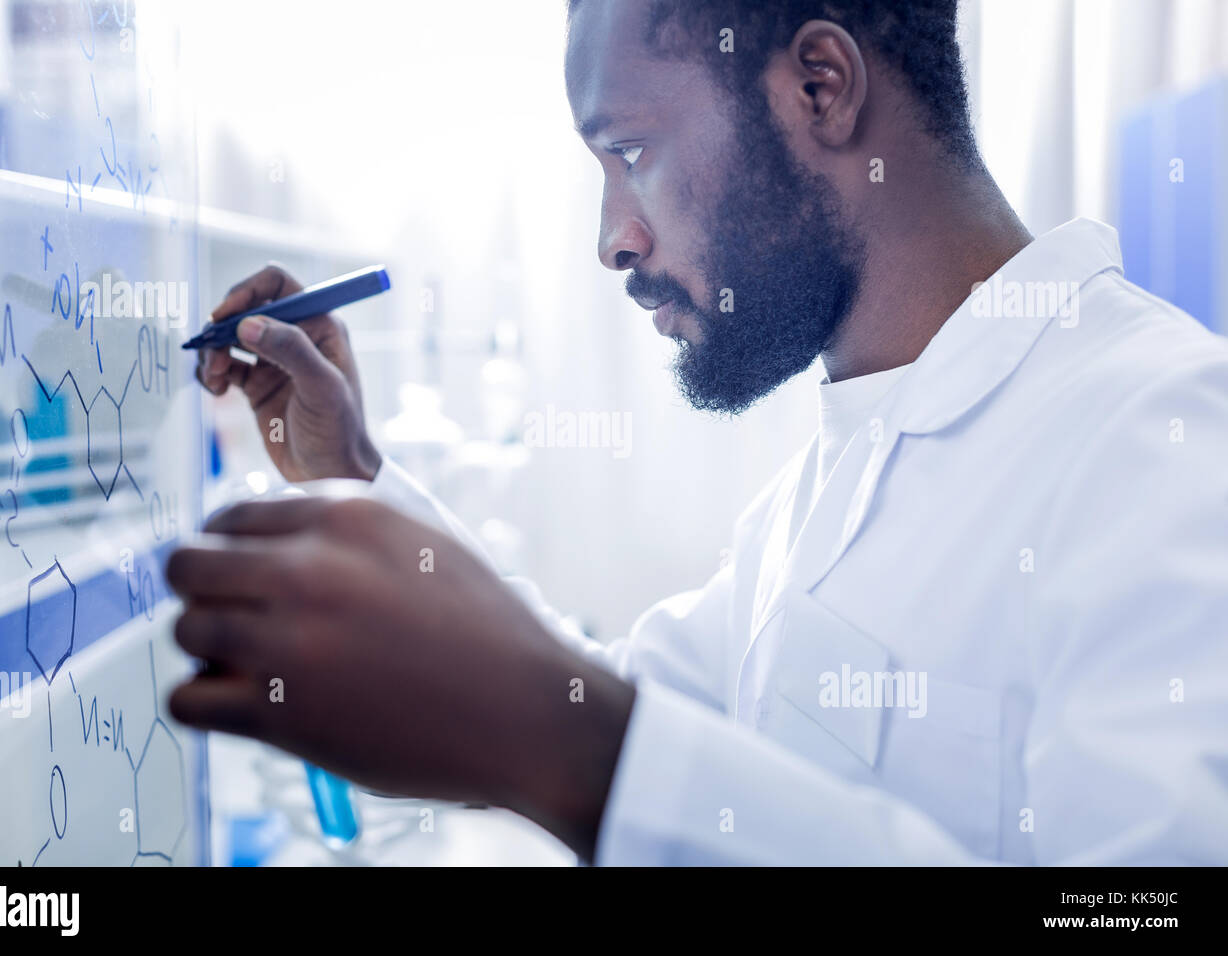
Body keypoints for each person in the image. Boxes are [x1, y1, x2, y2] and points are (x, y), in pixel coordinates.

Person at [167, 0, 1228, 864]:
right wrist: (350, 472)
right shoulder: (812, 496)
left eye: (631, 150)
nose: (611, 241)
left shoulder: (1161, 436)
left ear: (821, 85)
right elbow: (598, 692)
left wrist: (576, 748)